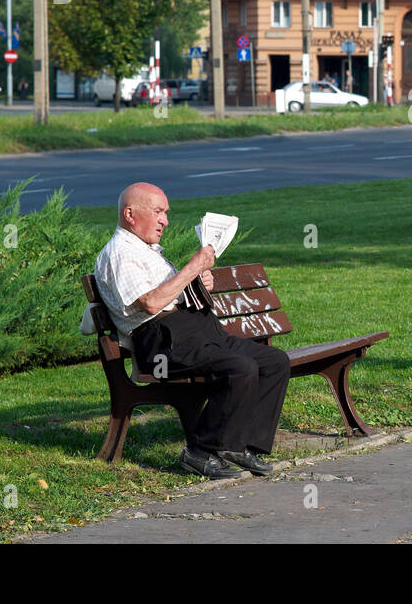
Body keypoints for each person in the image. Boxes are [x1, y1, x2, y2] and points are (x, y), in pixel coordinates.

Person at [93, 182, 290, 479]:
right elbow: (150, 303)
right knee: (240, 368)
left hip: (196, 334)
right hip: (163, 344)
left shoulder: (145, 250)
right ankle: (199, 451)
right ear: (130, 214)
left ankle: (240, 445)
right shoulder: (120, 253)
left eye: (166, 213)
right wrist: (191, 268)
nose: (165, 221)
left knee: (275, 362)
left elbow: (169, 294)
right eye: (158, 212)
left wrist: (196, 284)